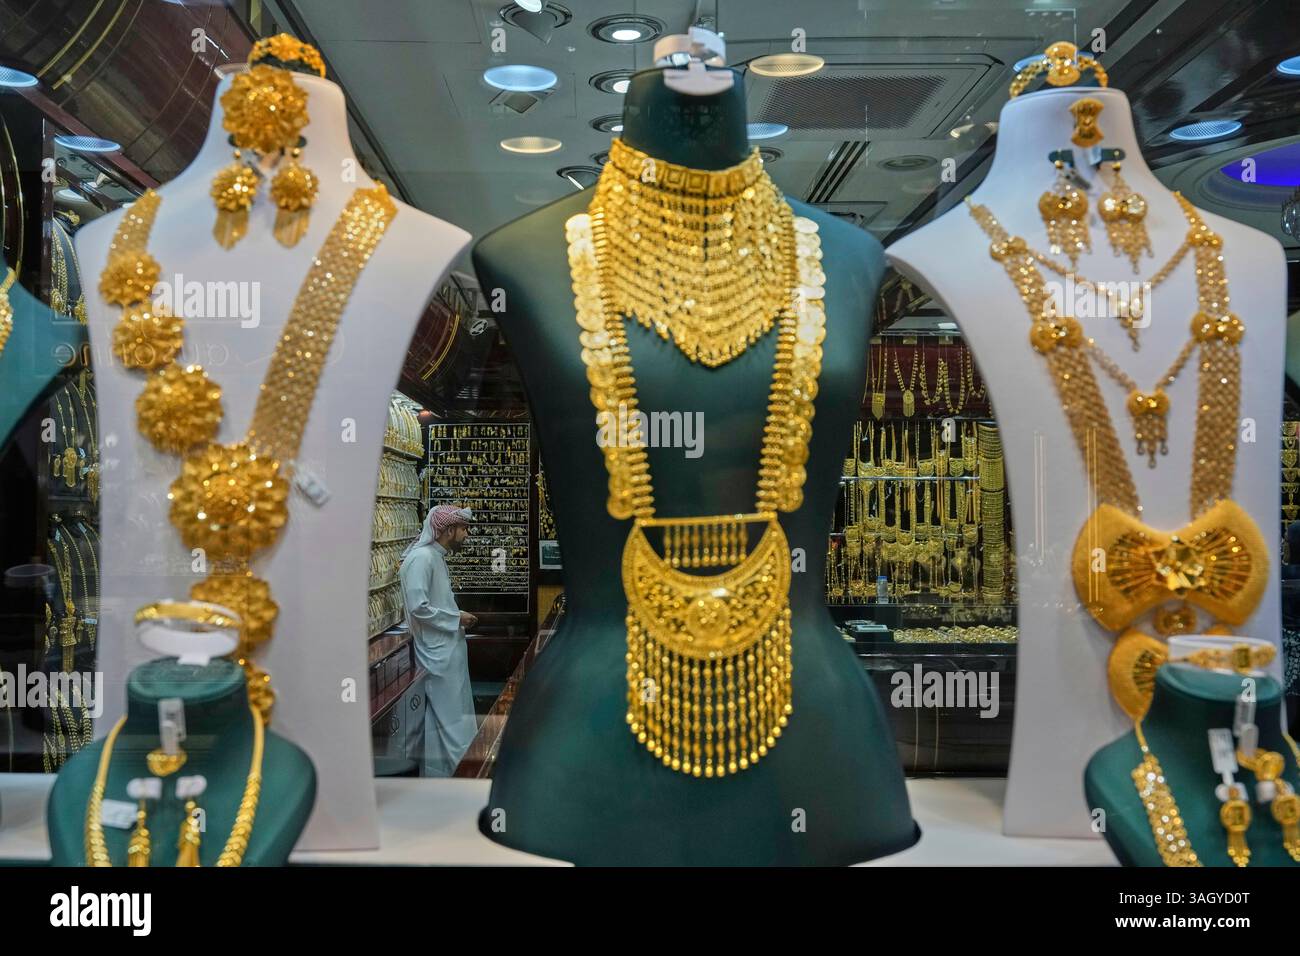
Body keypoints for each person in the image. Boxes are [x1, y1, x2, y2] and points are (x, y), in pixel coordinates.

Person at [399, 504, 478, 777]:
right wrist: (457, 618)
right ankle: (467, 778)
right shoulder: (422, 558)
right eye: (463, 528)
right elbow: (418, 607)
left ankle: (441, 779)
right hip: (438, 652)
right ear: (448, 530)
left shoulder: (434, 556)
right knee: (454, 723)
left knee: (443, 721)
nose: (466, 534)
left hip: (445, 650)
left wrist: (455, 619)